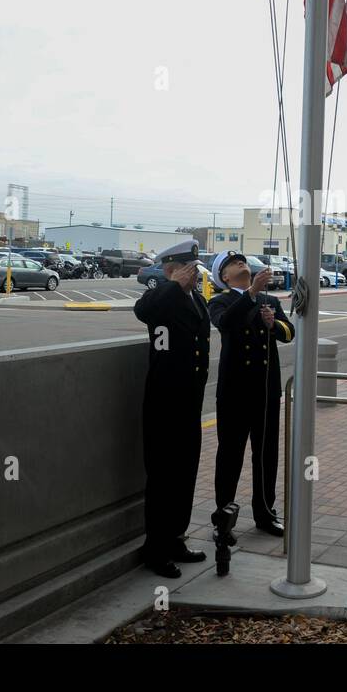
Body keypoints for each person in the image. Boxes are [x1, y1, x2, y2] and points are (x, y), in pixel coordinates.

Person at [132, 240, 211, 578]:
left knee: (184, 474)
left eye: (195, 270)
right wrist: (173, 285)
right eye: (189, 270)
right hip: (165, 401)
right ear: (171, 269)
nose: (195, 276)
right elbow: (142, 310)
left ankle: (176, 538)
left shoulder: (197, 300)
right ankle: (157, 548)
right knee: (163, 478)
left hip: (189, 402)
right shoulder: (162, 298)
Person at [208, 250, 294, 539]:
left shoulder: (269, 300)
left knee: (266, 455)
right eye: (234, 263)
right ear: (224, 276)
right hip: (235, 392)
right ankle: (224, 518)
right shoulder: (219, 300)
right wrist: (251, 293)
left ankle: (265, 513)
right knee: (230, 455)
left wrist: (274, 324)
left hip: (266, 390)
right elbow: (226, 323)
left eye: (242, 261)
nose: (241, 264)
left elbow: (289, 332)